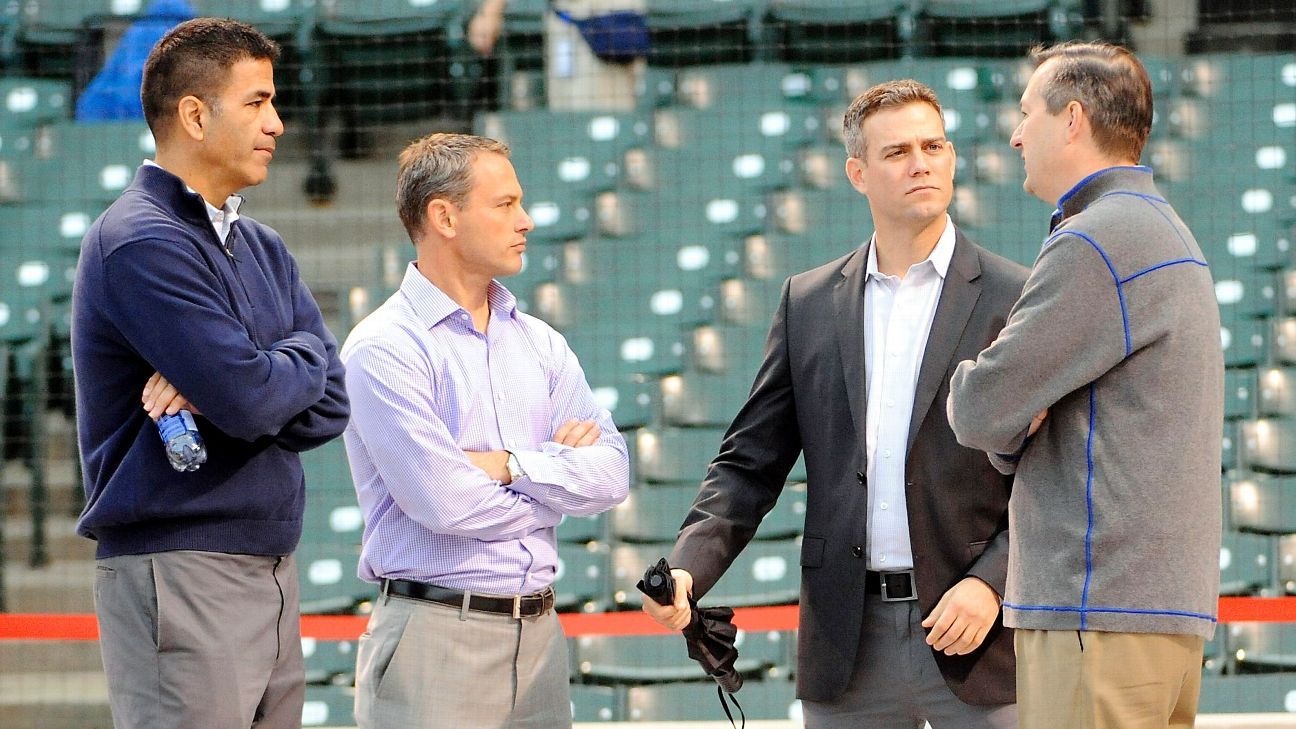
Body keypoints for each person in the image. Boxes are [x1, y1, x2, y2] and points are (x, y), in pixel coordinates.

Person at [642, 80, 1028, 728]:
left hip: (977, 634)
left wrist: (993, 581)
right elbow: (749, 464)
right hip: (846, 640)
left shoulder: (1015, 296)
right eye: (897, 151)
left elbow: (1054, 471)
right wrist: (686, 568)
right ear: (857, 173)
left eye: (933, 146)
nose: (921, 163)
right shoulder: (809, 302)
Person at [72, 17, 349, 729]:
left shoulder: (262, 245)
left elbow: (330, 404)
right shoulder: (138, 240)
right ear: (195, 116)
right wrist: (281, 363)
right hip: (181, 566)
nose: (277, 124)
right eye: (257, 102)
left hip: (269, 567)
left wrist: (265, 365)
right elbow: (250, 402)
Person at [947, 41, 1223, 729]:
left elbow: (980, 407)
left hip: (1095, 611)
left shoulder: (1097, 240)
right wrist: (1019, 423)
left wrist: (983, 392)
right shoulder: (1161, 229)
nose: (1015, 135)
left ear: (1072, 120)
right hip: (1151, 615)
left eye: (1026, 113)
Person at [341, 133, 630, 728]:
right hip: (436, 640)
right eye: (505, 204)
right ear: (444, 217)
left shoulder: (540, 342)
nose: (526, 221)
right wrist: (556, 488)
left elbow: (612, 475)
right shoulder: (384, 347)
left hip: (542, 640)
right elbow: (447, 503)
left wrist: (507, 466)